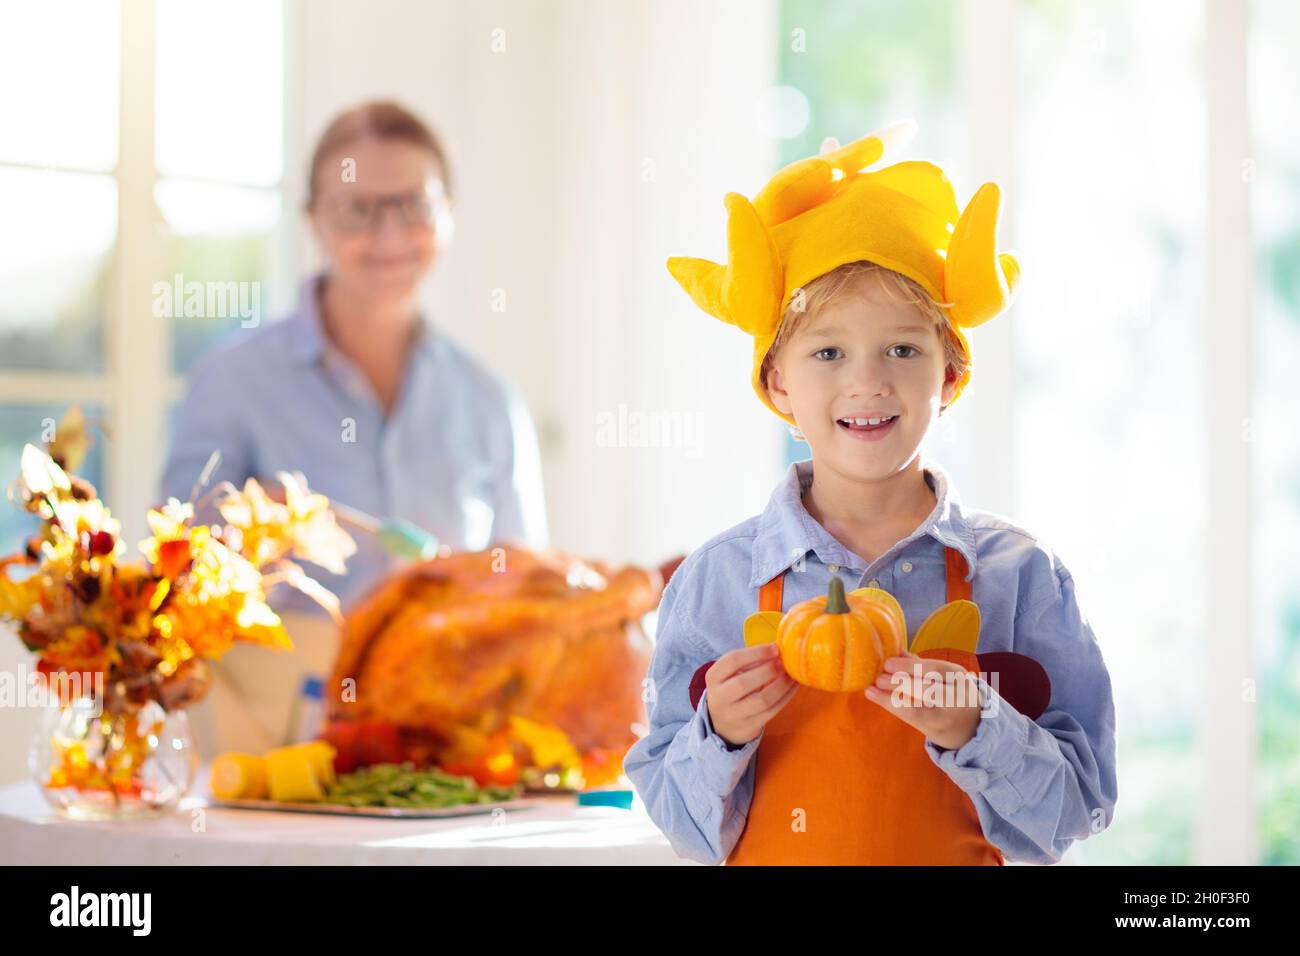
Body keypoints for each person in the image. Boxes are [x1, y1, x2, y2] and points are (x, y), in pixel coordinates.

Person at [623, 122, 1118, 865]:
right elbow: (682, 830)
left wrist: (977, 726)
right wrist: (718, 736)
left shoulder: (1022, 578)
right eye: (828, 351)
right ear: (777, 383)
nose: (868, 381)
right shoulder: (716, 583)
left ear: (949, 376)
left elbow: (1081, 808)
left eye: (903, 348)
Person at [161, 100, 549, 612]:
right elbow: (176, 581)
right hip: (283, 691)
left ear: (448, 214)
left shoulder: (491, 402)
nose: (388, 235)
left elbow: (529, 597)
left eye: (414, 206)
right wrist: (240, 534)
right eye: (356, 210)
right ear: (313, 221)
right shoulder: (230, 383)